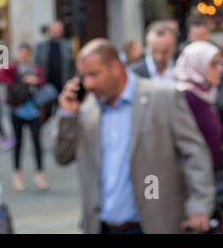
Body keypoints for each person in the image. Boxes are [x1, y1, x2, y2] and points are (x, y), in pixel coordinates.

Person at [54, 39, 213, 234]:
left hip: (151, 224)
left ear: (115, 68)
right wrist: (68, 115)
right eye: (84, 76)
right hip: (102, 226)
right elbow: (62, 156)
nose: (88, 83)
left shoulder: (163, 97)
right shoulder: (87, 109)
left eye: (94, 74)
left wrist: (199, 204)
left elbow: (194, 154)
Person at [172, 40, 223, 233]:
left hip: (209, 180)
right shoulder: (186, 97)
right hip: (193, 187)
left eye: (221, 62)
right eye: (214, 64)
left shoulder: (205, 93)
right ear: (197, 65)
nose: (221, 69)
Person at [0, 44, 48, 192]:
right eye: (21, 53)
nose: (23, 56)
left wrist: (35, 81)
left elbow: (42, 82)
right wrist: (1, 51)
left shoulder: (35, 68)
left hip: (34, 110)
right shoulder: (12, 67)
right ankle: (17, 173)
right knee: (19, 143)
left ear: (30, 55)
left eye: (26, 53)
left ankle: (40, 174)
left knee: (37, 143)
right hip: (17, 110)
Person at [34, 21, 73, 96]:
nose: (56, 33)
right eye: (54, 31)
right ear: (49, 31)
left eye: (59, 31)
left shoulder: (68, 45)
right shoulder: (40, 46)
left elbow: (73, 65)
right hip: (46, 84)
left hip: (63, 84)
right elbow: (35, 65)